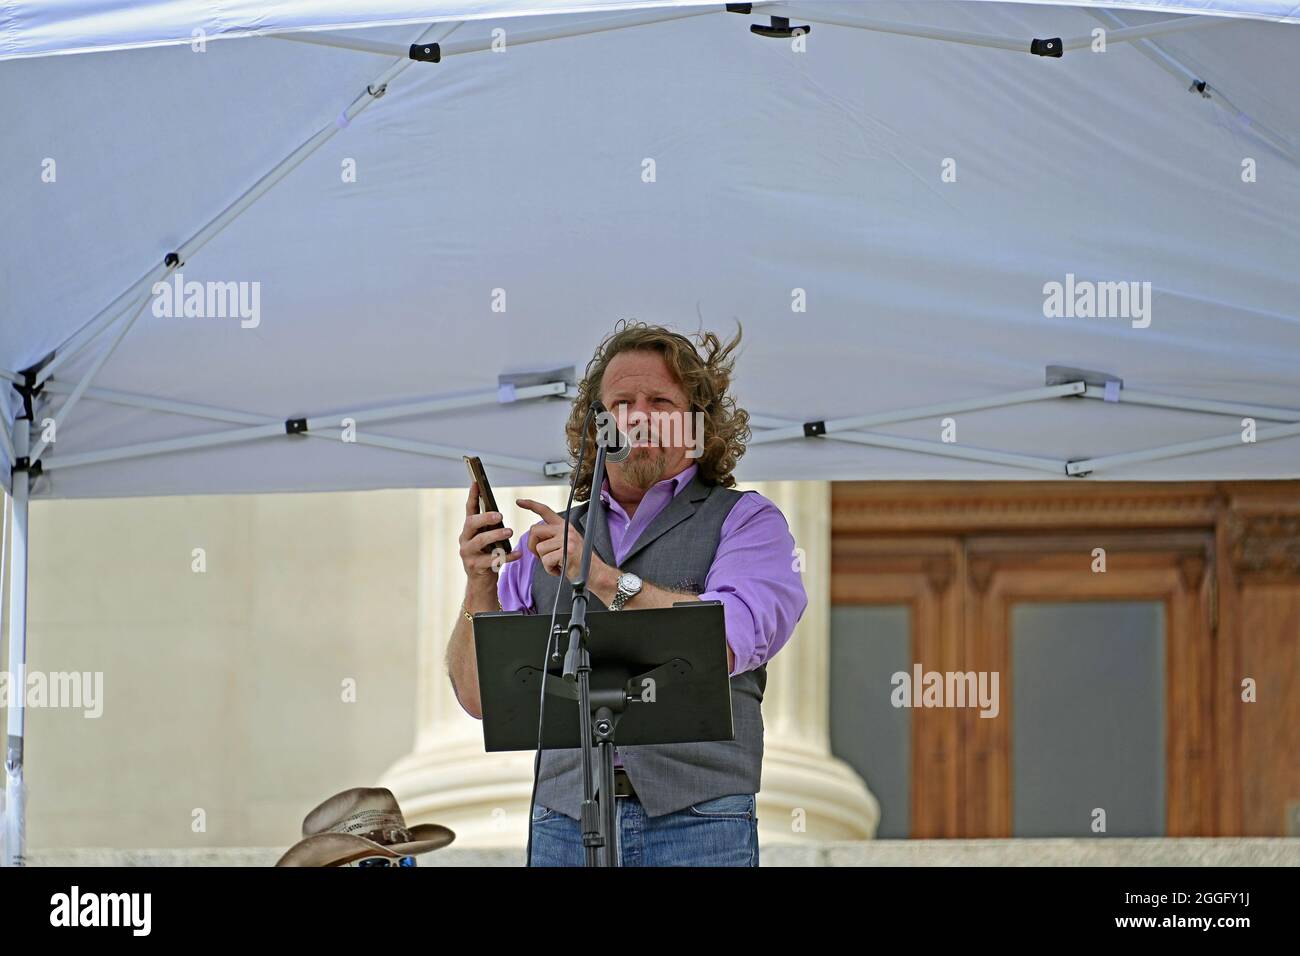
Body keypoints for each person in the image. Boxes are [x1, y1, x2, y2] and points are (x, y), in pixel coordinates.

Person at [445, 320, 807, 866]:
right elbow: (478, 697)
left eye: (660, 401)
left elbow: (723, 642)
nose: (637, 416)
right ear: (598, 426)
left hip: (699, 821)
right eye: (620, 403)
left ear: (696, 425)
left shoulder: (747, 522)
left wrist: (601, 578)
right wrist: (479, 582)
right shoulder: (546, 539)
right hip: (563, 821)